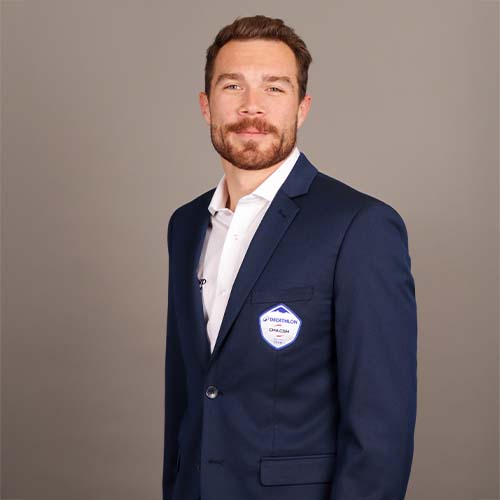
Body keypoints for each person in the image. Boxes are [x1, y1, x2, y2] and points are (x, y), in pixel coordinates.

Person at [163, 14, 417, 500]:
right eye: (232, 85)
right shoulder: (186, 225)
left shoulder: (360, 227)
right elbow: (187, 396)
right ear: (205, 105)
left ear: (302, 108)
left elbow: (380, 430)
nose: (251, 105)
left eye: (274, 88)